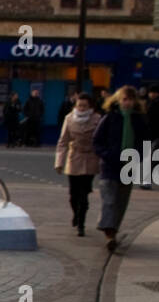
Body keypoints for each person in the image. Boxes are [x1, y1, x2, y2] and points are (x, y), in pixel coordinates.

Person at [93, 86, 149, 250]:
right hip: (110, 165)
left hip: (129, 165)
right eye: (124, 99)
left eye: (130, 99)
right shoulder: (110, 118)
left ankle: (112, 230)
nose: (127, 102)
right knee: (109, 200)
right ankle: (109, 234)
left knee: (120, 202)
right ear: (118, 100)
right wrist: (107, 154)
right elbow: (97, 141)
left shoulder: (139, 120)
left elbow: (145, 141)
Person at [55, 91, 101, 236]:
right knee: (73, 194)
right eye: (79, 105)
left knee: (84, 193)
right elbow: (63, 142)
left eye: (84, 106)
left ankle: (81, 224)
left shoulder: (97, 119)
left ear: (90, 106)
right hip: (74, 157)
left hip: (90, 158)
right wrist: (59, 162)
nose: (81, 108)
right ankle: (76, 214)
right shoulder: (69, 119)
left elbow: (101, 140)